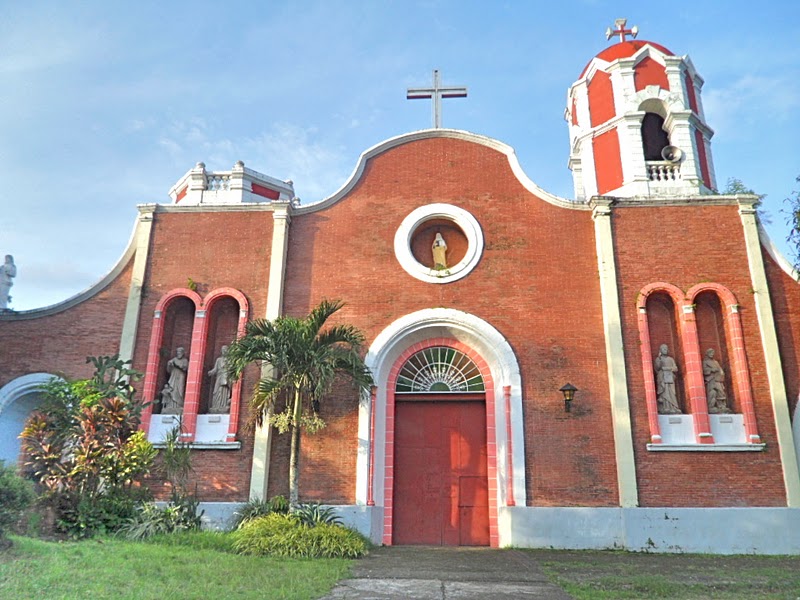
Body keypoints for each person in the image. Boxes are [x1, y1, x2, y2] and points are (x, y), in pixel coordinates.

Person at [654, 344, 681, 414]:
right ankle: (665, 407)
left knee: (671, 391)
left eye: (666, 348)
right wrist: (659, 359)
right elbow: (657, 367)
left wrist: (668, 369)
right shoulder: (658, 359)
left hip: (670, 377)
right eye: (663, 349)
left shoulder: (671, 359)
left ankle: (673, 407)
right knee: (664, 391)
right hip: (662, 377)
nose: (665, 350)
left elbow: (675, 368)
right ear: (660, 350)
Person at [161, 347, 189, 414]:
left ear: (183, 353)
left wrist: (176, 365)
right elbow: (168, 370)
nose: (179, 353)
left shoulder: (185, 361)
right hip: (173, 376)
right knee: (172, 389)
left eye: (180, 352)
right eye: (178, 352)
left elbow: (185, 369)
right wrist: (169, 365)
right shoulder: (173, 359)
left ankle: (178, 405)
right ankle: (170, 406)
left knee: (179, 391)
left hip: (180, 377)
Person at [703, 348, 731, 414]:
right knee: (712, 392)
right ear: (707, 354)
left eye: (713, 353)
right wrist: (711, 370)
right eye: (710, 353)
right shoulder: (705, 362)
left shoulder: (716, 362)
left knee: (721, 392)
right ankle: (711, 406)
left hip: (718, 379)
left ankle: (722, 406)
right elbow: (704, 370)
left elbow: (720, 370)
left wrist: (721, 374)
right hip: (711, 379)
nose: (712, 354)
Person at [207, 345, 231, 414]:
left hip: (225, 377)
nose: (224, 351)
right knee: (216, 391)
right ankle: (216, 406)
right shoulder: (218, 360)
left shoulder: (229, 360)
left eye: (225, 350)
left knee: (224, 391)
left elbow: (231, 368)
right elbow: (215, 369)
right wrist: (211, 372)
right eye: (223, 350)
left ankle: (223, 406)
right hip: (219, 377)